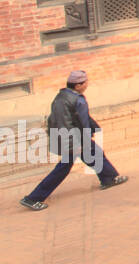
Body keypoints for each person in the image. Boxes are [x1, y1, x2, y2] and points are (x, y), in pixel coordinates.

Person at [20, 70, 128, 210]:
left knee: (95, 154)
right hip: (73, 140)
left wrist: (92, 127)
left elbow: (82, 117)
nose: (87, 84)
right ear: (78, 85)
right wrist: (74, 145)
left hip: (81, 137)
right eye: (85, 82)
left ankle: (108, 178)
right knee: (62, 169)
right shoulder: (63, 101)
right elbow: (63, 125)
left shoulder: (75, 96)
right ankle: (33, 198)